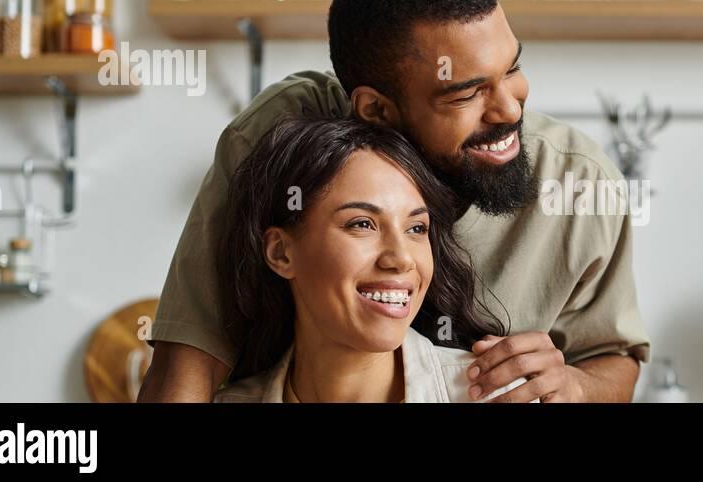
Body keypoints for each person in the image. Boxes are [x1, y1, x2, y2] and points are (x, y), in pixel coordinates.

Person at [141, 0, 650, 403]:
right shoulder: (284, 135)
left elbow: (612, 357)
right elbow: (192, 354)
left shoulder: (578, 182)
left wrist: (577, 388)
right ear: (376, 110)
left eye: (512, 69)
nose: (510, 108)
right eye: (465, 94)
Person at [213, 117, 526, 403]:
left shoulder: (501, 395)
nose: (401, 259)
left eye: (416, 228)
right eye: (362, 224)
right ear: (281, 252)